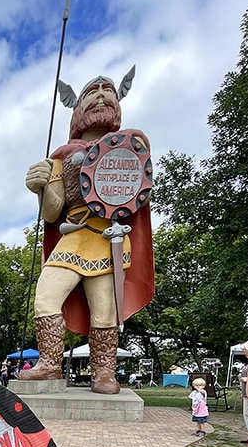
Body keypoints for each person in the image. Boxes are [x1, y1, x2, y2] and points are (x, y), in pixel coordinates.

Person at [21, 68, 154, 394]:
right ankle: (50, 364)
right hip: (73, 235)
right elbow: (53, 211)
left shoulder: (130, 145)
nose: (100, 94)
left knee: (105, 310)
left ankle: (103, 373)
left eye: (107, 89)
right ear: (77, 107)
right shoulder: (62, 156)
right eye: (91, 91)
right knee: (45, 297)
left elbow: (137, 190)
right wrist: (40, 186)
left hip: (109, 237)